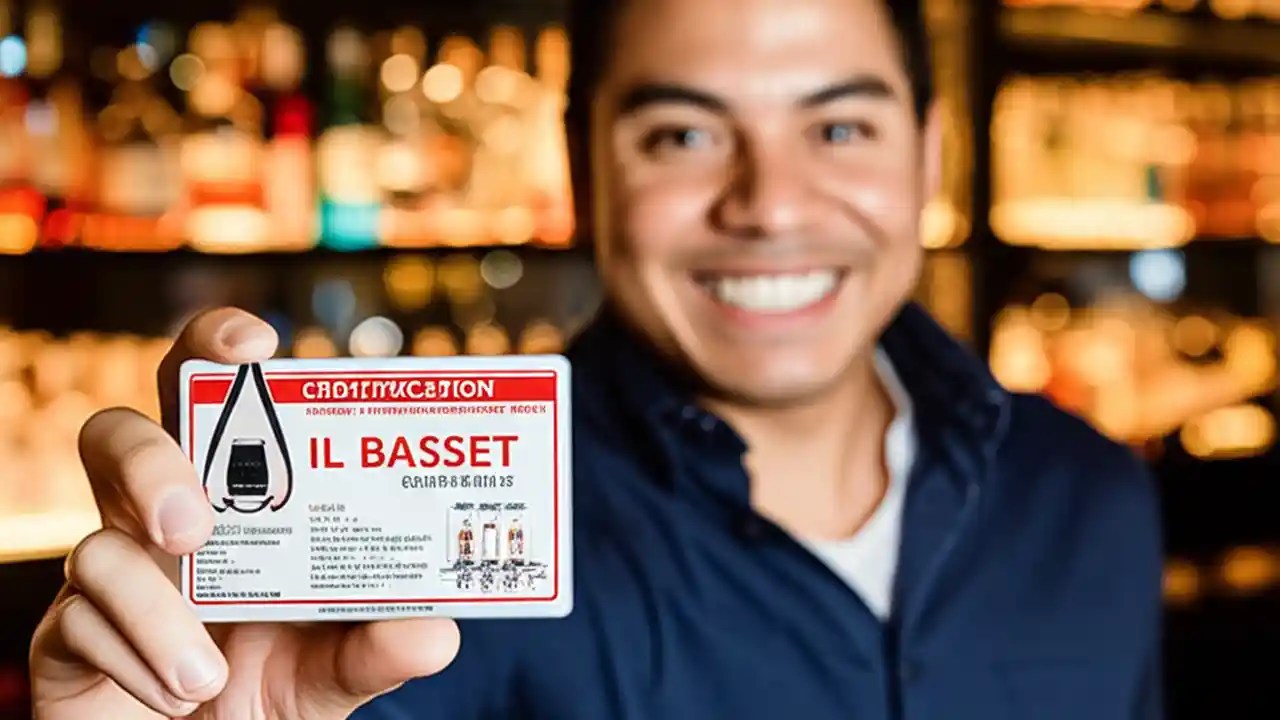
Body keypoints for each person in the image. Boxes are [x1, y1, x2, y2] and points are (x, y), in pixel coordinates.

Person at [28, 0, 1164, 717]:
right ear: (582, 168)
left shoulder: (1090, 499)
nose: (768, 207)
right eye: (683, 134)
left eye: (837, 128)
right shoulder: (386, 581)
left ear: (927, 155)